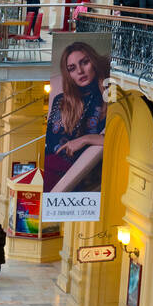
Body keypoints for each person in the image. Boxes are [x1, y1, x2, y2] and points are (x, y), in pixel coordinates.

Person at [43, 41, 110, 196]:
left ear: (94, 62)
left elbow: (116, 139)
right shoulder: (61, 100)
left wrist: (85, 139)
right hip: (52, 167)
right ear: (68, 74)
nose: (80, 71)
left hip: (78, 174)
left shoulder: (108, 97)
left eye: (85, 62)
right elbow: (50, 144)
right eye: (72, 68)